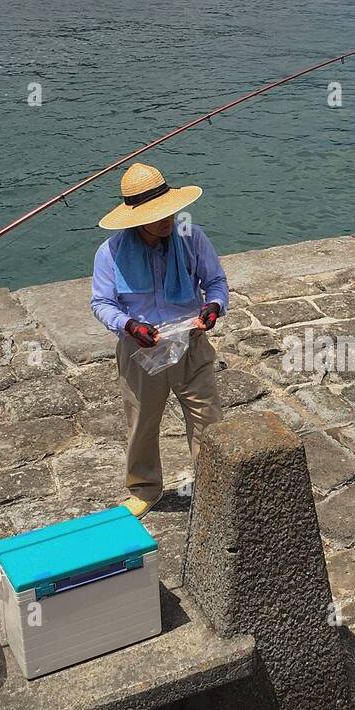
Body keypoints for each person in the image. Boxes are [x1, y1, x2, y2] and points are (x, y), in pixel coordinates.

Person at [90, 162, 228, 517]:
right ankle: (144, 488)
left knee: (207, 418)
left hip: (191, 341)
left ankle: (212, 485)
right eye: (156, 215)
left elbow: (215, 281)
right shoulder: (110, 252)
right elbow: (102, 302)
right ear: (135, 219)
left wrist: (214, 306)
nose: (167, 220)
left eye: (169, 211)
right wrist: (128, 325)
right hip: (142, 347)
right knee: (142, 421)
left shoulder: (191, 236)